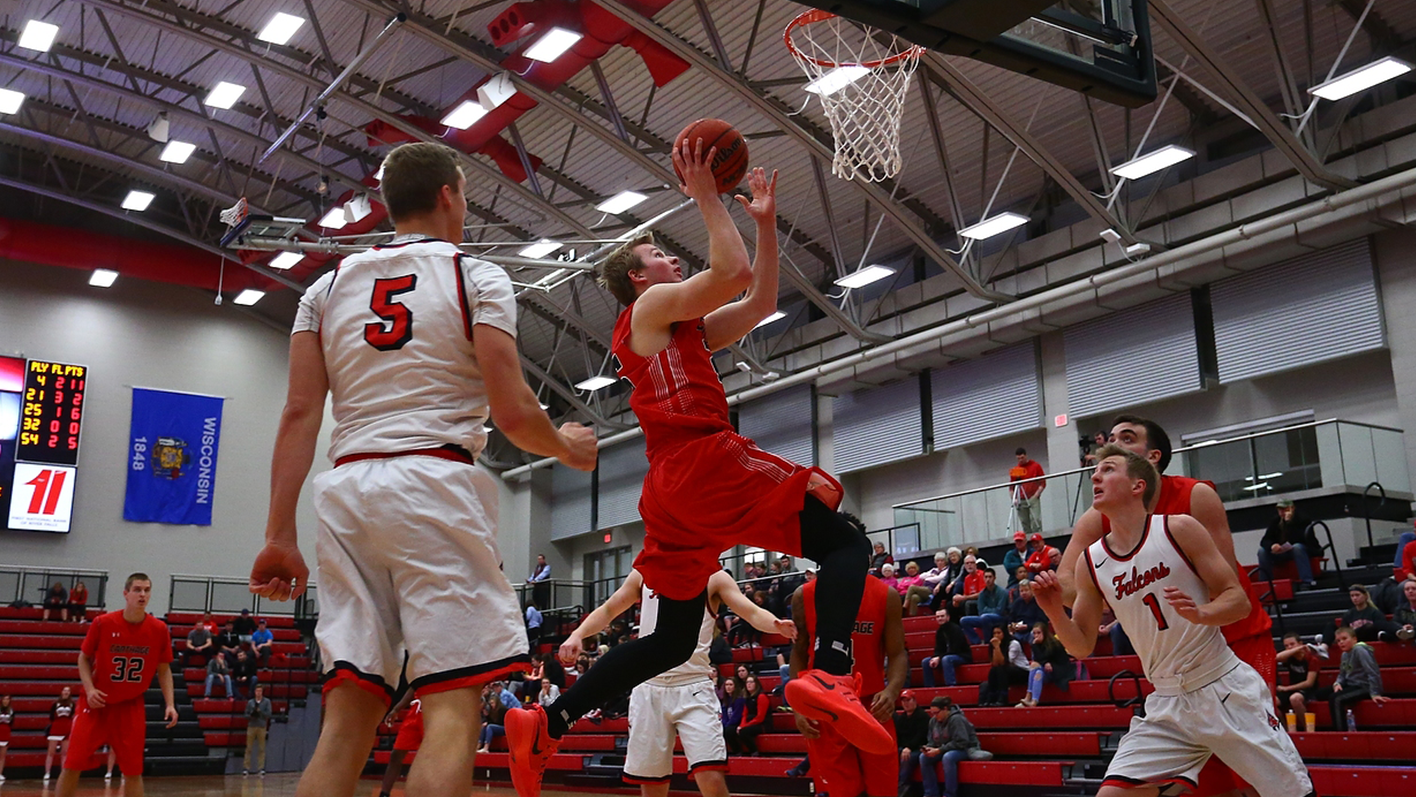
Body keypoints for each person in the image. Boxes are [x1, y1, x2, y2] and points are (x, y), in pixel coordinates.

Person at [506, 152, 883, 797]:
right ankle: (829, 670)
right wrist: (706, 193)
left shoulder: (682, 330)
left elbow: (758, 297)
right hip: (704, 460)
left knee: (672, 638)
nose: (671, 261)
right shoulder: (647, 308)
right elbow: (728, 271)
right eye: (658, 255)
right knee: (845, 543)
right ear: (636, 275)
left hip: (670, 489)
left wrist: (764, 223)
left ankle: (547, 720)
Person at [247, 142, 597, 797]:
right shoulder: (476, 277)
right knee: (452, 712)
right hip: (432, 485)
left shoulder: (324, 290)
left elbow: (299, 412)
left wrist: (278, 533)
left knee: (346, 722)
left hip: (347, 492)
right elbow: (515, 413)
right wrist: (565, 445)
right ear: (449, 194)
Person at [1034, 446, 1311, 797]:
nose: (1095, 476)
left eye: (1108, 469)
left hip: (1222, 687)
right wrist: (1054, 612)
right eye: (1095, 471)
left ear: (1138, 486)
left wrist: (1203, 613)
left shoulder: (1178, 528)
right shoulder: (1092, 561)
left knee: (1289, 793)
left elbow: (1238, 600)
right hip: (1166, 700)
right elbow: (1083, 646)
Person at [560, 567, 792, 795]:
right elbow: (610, 608)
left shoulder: (714, 576)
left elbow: (751, 612)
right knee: (652, 784)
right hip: (649, 685)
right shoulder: (644, 572)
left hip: (694, 685)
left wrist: (775, 624)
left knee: (711, 777)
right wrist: (577, 634)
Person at [790, 559, 906, 797]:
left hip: (872, 706)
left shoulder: (886, 595)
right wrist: (799, 707)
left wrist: (892, 690)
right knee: (839, 792)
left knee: (884, 791)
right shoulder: (804, 595)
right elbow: (799, 651)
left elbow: (898, 653)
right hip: (824, 706)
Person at [56, 573, 179, 797]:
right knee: (72, 764)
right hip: (96, 704)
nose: (142, 594)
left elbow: (164, 670)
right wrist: (90, 689)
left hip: (130, 706)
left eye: (147, 590)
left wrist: (170, 703)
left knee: (133, 771)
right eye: (137, 589)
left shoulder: (159, 629)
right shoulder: (103, 623)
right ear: (126, 593)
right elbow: (83, 658)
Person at [1316, 626, 1388, 730]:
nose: (1341, 643)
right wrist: (1337, 683)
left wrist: (1375, 693)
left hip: (1364, 686)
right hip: (1351, 684)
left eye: (1344, 639)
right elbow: (1342, 674)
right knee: (1320, 694)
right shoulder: (1344, 654)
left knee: (1335, 699)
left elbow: (1372, 671)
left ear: (1354, 639)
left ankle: (1341, 733)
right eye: (1338, 641)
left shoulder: (1360, 650)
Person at [909, 696, 981, 797]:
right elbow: (932, 740)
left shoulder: (956, 719)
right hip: (944, 748)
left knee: (948, 757)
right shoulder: (933, 721)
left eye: (936, 713)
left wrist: (939, 750)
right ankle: (930, 793)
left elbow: (962, 742)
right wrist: (928, 748)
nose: (934, 716)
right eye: (932, 713)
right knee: (923, 757)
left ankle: (949, 794)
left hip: (965, 748)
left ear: (945, 709)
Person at [1257, 500, 1319, 587]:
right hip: (1283, 551)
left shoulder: (1303, 519)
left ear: (1292, 509)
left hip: (1303, 549)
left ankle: (1307, 580)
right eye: (1280, 510)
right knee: (1262, 551)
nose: (1282, 512)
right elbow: (1265, 540)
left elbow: (1301, 538)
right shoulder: (1276, 521)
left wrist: (1289, 523)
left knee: (1297, 547)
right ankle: (1265, 584)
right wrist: (1272, 546)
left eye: (1285, 509)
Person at [1018, 623, 1074, 708]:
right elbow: (1039, 659)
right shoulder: (1036, 644)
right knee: (1038, 671)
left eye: (1039, 633)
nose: (1036, 635)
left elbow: (1061, 662)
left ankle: (1029, 696)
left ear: (1045, 632)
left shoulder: (1055, 644)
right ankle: (1033, 700)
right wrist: (1035, 647)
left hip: (1059, 670)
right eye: (1034, 633)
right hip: (1044, 670)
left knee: (1035, 666)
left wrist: (1047, 663)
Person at [1274, 634, 1319, 730]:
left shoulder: (1311, 659)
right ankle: (1285, 730)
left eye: (1292, 644)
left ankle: (1308, 729)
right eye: (1286, 646)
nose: (1289, 647)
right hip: (1293, 689)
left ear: (1300, 643)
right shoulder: (1290, 657)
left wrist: (1287, 688)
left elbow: (1309, 683)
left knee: (1295, 699)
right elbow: (1277, 657)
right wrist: (1294, 649)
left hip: (1308, 690)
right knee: (1273, 702)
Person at [976, 626, 1028, 707]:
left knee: (1001, 670)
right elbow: (995, 663)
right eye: (994, 633)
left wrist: (997, 647)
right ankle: (990, 699)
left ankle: (1003, 698)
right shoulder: (993, 644)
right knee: (993, 671)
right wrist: (996, 647)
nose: (996, 635)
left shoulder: (1014, 643)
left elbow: (1004, 662)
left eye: (999, 633)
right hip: (1006, 673)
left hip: (1022, 671)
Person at [921, 607, 972, 688]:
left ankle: (951, 686)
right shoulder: (939, 632)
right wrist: (935, 657)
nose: (940, 618)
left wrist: (939, 658)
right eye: (938, 617)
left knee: (946, 659)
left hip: (961, 656)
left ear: (948, 617)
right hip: (946, 656)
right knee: (926, 661)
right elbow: (938, 649)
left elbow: (955, 649)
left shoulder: (956, 629)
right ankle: (929, 687)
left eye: (942, 616)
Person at [960, 569, 1008, 645]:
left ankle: (987, 642)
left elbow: (1000, 610)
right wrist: (989, 611)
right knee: (964, 620)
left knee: (985, 617)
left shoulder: (1002, 592)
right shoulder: (982, 594)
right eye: (986, 577)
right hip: (984, 618)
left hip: (1000, 618)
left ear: (994, 578)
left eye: (990, 577)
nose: (988, 579)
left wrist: (986, 610)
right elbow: (980, 611)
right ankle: (976, 642)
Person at [894, 690, 928, 794]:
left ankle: (901, 786)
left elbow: (921, 736)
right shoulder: (902, 718)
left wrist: (908, 747)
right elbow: (898, 735)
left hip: (919, 747)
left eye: (908, 700)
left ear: (915, 701)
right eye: (903, 701)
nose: (906, 703)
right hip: (904, 747)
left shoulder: (922, 716)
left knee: (907, 758)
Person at [726, 675, 770, 755]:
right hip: (750, 722)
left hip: (763, 724)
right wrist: (742, 725)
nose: (748, 684)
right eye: (747, 682)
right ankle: (737, 752)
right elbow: (744, 714)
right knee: (729, 730)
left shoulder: (761, 696)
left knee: (744, 732)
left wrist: (745, 726)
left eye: (751, 682)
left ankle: (754, 751)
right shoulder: (747, 698)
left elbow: (760, 717)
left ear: (756, 684)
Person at [1009, 448, 1045, 535]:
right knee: (1025, 522)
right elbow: (1011, 487)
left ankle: (1037, 537)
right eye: (1018, 458)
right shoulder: (1016, 470)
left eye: (1022, 458)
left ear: (1026, 456)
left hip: (1033, 497)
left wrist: (1036, 495)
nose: (1020, 460)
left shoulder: (1036, 466)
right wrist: (1014, 499)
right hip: (1021, 499)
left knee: (1035, 520)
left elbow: (1042, 482)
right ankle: (1028, 539)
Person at [45, 686, 76, 781]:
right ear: (61, 692)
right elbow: (51, 716)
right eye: (64, 690)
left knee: (64, 753)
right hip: (56, 728)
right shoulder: (55, 704)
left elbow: (73, 715)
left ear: (70, 693)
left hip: (67, 728)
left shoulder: (72, 704)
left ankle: (63, 773)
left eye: (68, 691)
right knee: (51, 752)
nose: (66, 692)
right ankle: (47, 773)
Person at [1007, 580, 1047, 647]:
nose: (1024, 593)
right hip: (1018, 631)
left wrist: (1027, 626)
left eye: (1026, 590)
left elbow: (1042, 621)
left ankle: (1034, 656)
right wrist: (1012, 626)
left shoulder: (1038, 602)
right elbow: (1010, 618)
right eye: (1021, 591)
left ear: (1031, 590)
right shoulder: (1017, 603)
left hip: (1032, 630)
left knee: (1034, 634)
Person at [244, 684, 273, 776]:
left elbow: (269, 714)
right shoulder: (250, 702)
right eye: (257, 691)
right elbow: (245, 715)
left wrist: (261, 712)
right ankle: (246, 768)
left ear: (262, 692)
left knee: (261, 748)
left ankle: (261, 768)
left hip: (261, 726)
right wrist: (251, 715)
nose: (258, 693)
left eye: (260, 691)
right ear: (254, 692)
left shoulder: (266, 702)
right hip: (252, 726)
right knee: (249, 748)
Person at [1394, 577, 1416, 642]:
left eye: (1414, 589)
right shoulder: (1400, 608)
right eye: (1407, 589)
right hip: (1404, 633)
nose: (1410, 591)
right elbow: (1395, 622)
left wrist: (1413, 628)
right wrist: (1403, 627)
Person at [0, 694, 11, 782]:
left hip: (6, 732)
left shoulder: (11, 711)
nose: (6, 701)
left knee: (2, 755)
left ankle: (0, 773)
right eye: (4, 699)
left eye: (7, 699)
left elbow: (12, 722)